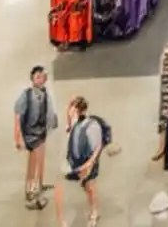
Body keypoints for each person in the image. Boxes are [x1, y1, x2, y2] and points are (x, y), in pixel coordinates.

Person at [64, 96, 114, 227]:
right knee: (86, 186)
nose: (70, 113)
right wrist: (69, 109)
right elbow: (68, 125)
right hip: (78, 161)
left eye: (73, 110)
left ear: (80, 111)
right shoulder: (76, 122)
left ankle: (94, 213)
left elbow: (97, 147)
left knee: (90, 187)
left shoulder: (92, 126)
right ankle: (93, 209)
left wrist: (90, 164)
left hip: (88, 161)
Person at [13, 65, 57, 209]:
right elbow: (18, 116)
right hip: (32, 133)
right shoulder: (27, 95)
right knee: (36, 162)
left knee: (37, 162)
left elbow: (48, 110)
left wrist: (52, 122)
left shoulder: (44, 93)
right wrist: (17, 137)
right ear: (32, 79)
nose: (41, 79)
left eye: (43, 77)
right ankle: (33, 191)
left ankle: (34, 187)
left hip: (41, 131)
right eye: (38, 77)